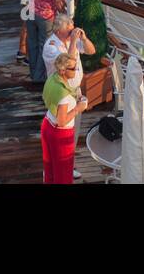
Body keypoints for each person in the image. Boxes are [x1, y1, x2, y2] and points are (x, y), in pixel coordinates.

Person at [43, 13, 95, 180]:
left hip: (73, 92)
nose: (73, 31)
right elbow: (69, 64)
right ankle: (58, 167)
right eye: (69, 29)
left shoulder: (69, 40)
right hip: (61, 93)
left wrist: (84, 39)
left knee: (72, 132)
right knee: (62, 130)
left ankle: (67, 165)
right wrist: (73, 42)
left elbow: (92, 51)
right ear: (59, 30)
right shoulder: (51, 46)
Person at [41, 53, 81, 184]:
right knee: (63, 175)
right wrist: (78, 109)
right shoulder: (64, 96)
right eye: (73, 68)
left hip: (47, 125)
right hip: (60, 134)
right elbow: (62, 121)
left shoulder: (53, 78)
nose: (76, 70)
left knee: (50, 170)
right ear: (63, 70)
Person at [30, 0, 66, 84]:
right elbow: (58, 1)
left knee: (32, 43)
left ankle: (33, 72)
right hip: (45, 15)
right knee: (43, 45)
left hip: (31, 10)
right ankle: (39, 77)